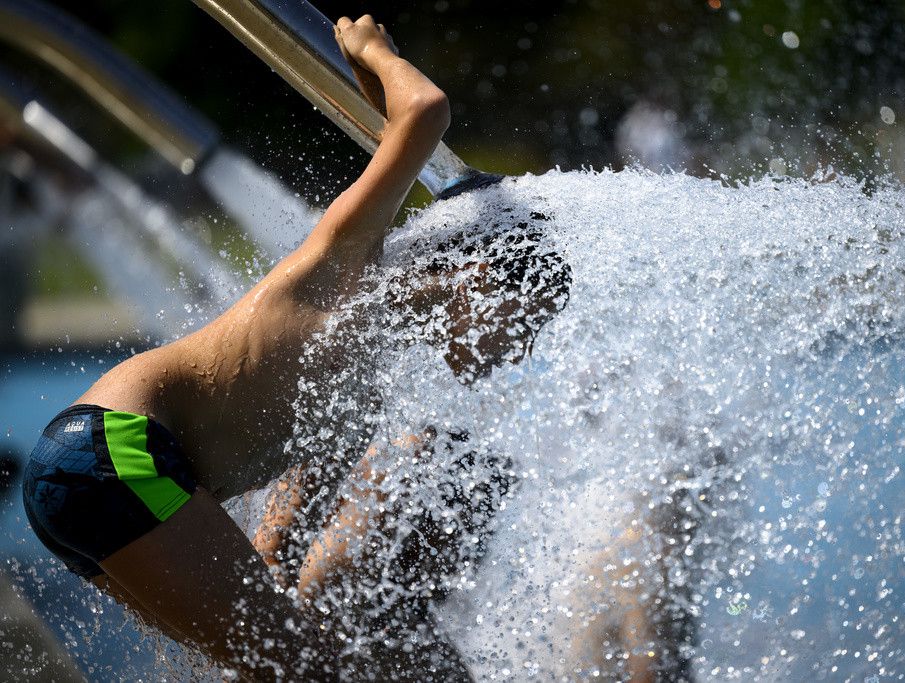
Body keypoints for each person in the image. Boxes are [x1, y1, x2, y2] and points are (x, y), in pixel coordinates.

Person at [21, 16, 568, 680]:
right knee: (301, 669)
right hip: (115, 449)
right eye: (523, 323)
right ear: (477, 276)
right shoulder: (344, 268)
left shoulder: (362, 391)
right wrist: (373, 54)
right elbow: (424, 111)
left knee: (279, 665)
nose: (514, 352)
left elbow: (278, 549)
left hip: (97, 472)